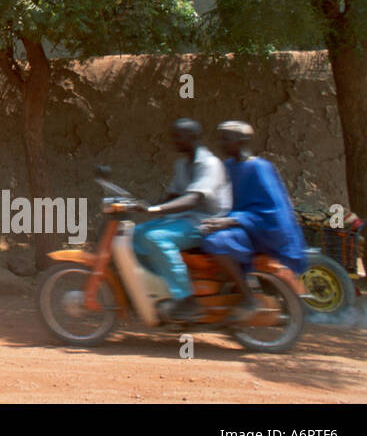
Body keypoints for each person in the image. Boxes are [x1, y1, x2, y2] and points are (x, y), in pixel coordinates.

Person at [200, 121, 308, 322]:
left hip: (261, 231)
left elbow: (272, 211)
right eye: (220, 138)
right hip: (242, 226)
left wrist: (230, 221)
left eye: (226, 138)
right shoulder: (228, 166)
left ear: (242, 141)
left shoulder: (259, 168)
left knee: (217, 241)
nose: (221, 143)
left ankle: (248, 297)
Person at [132, 118, 231, 321]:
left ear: (193, 137)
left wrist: (154, 209)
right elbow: (174, 195)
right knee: (134, 235)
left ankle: (186, 300)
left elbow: (193, 199)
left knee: (155, 238)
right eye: (174, 136)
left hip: (206, 222)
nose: (174, 140)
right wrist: (144, 206)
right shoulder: (182, 164)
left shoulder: (209, 164)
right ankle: (162, 291)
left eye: (179, 136)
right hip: (184, 218)